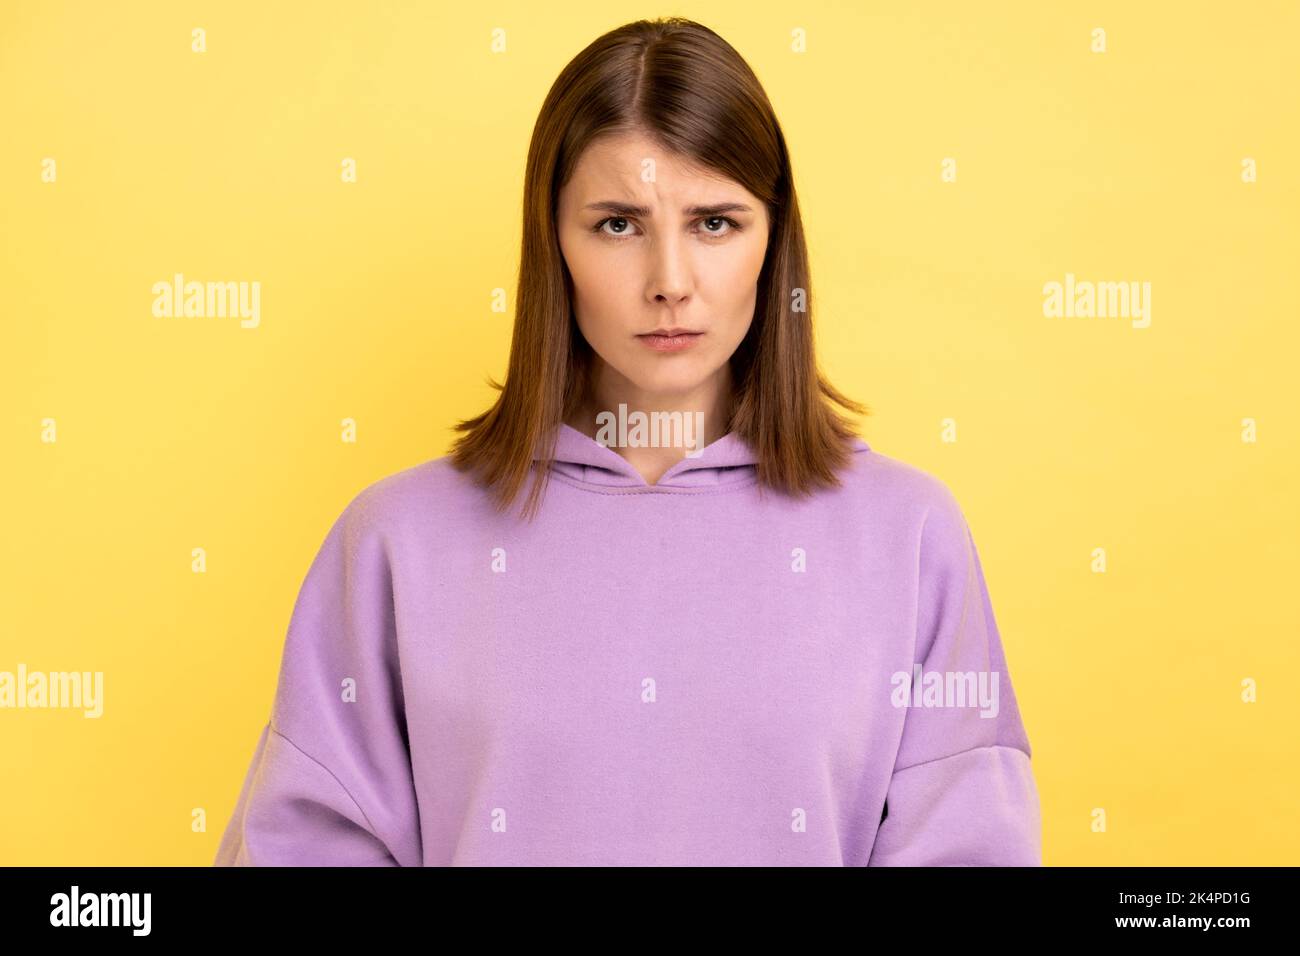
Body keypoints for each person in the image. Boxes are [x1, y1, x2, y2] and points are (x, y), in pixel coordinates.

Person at [214, 16, 1041, 866]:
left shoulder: (908, 536)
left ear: (773, 241)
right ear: (552, 244)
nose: (671, 283)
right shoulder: (393, 541)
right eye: (618, 225)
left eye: (716, 222)